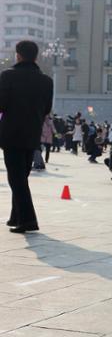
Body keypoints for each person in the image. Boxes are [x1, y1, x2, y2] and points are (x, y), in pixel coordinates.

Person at [0, 41, 53, 233]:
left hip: (11, 134)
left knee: (16, 178)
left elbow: (1, 104)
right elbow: (47, 108)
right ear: (36, 57)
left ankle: (28, 220)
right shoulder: (46, 80)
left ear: (18, 55)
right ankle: (16, 216)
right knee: (22, 175)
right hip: (32, 134)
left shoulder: (8, 76)